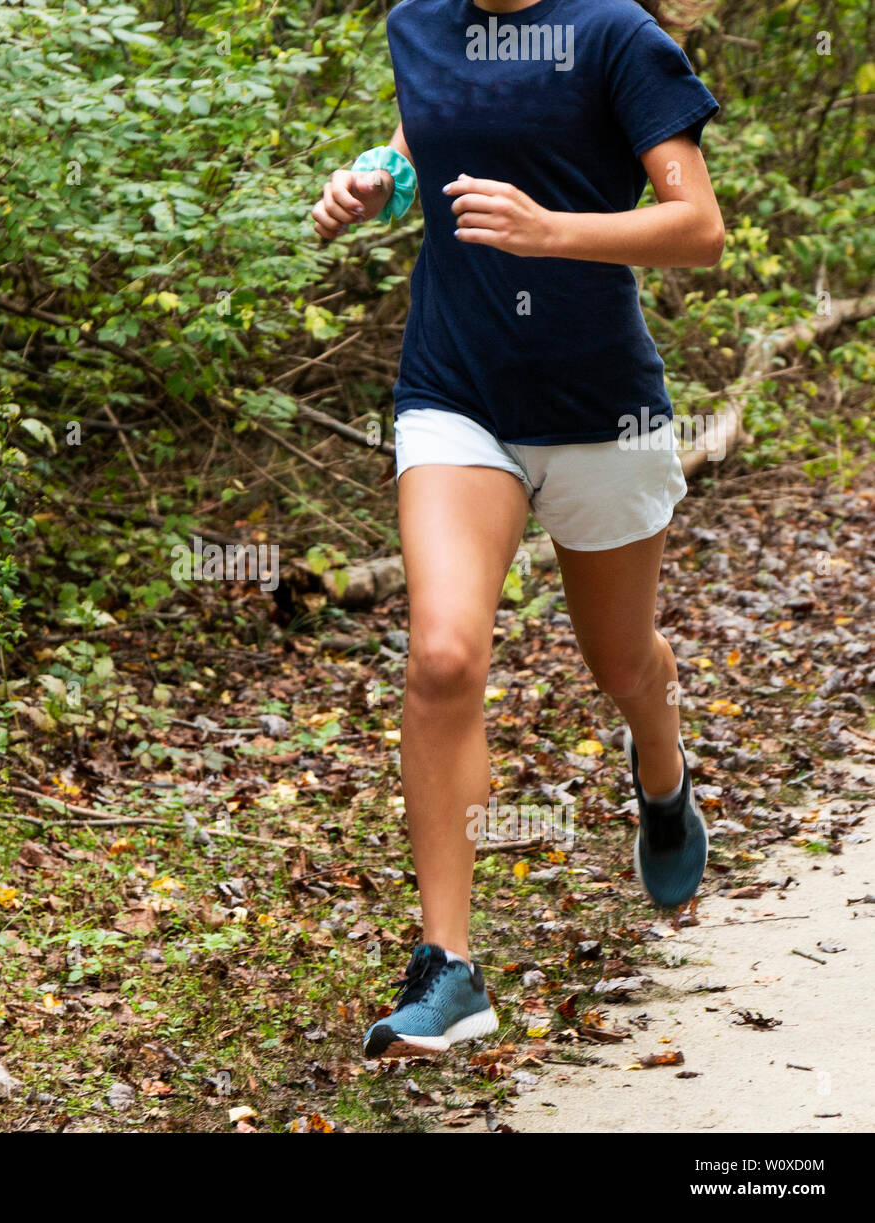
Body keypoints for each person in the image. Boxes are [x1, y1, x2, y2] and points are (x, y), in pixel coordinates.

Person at [310, 0, 723, 1059]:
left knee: (622, 660)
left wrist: (551, 232)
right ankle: (448, 966)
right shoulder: (418, 25)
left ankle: (664, 777)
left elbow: (697, 226)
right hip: (456, 392)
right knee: (442, 657)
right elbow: (426, 137)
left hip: (602, 411)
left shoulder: (618, 36)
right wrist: (377, 178)